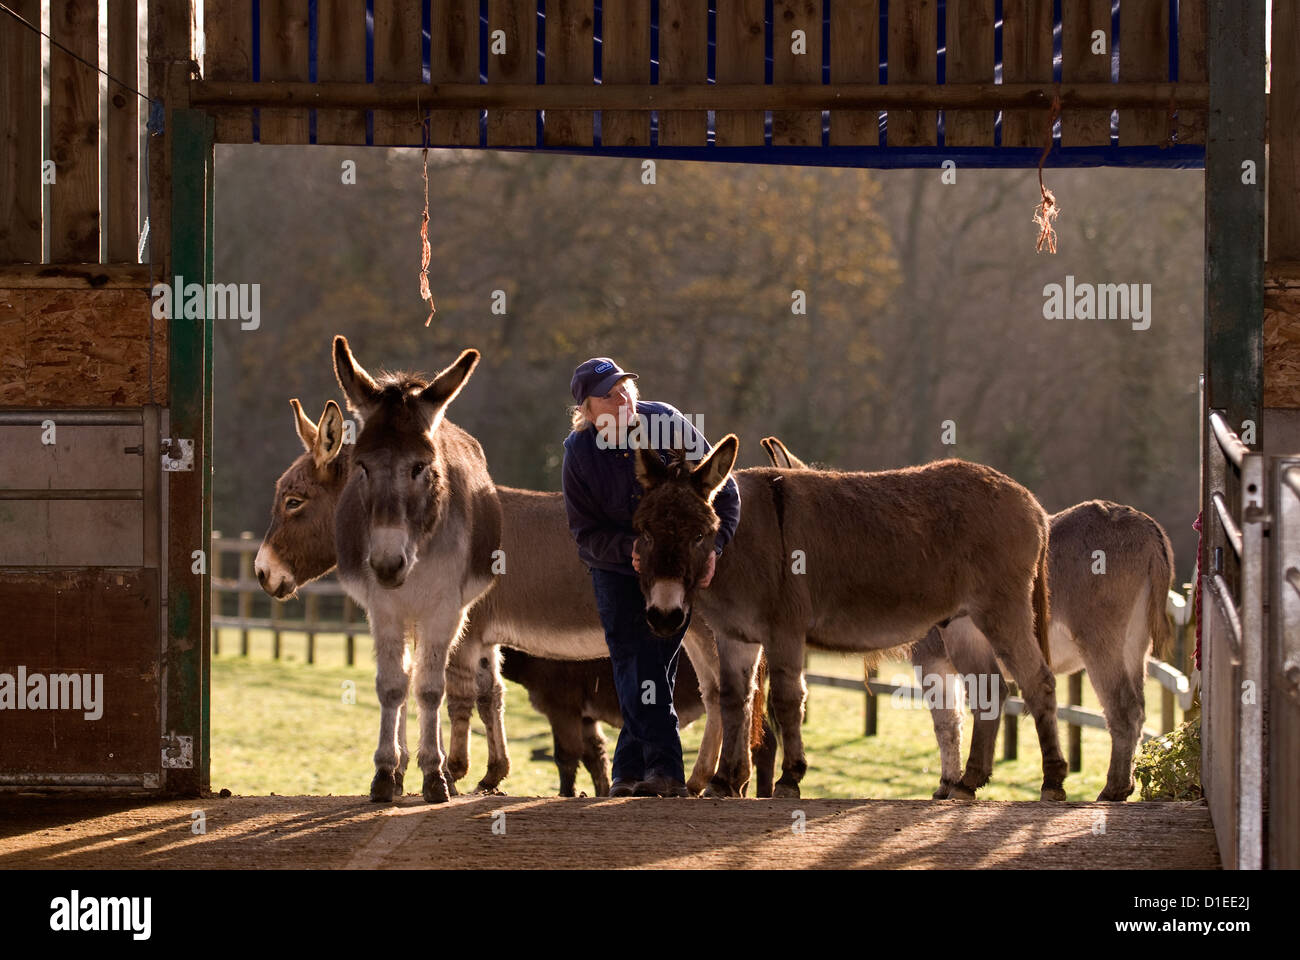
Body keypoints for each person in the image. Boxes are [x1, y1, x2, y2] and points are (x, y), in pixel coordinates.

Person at [561, 357, 741, 797]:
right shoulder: (579, 455)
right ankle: (665, 771)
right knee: (632, 661)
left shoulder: (666, 423)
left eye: (625, 389)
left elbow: (726, 490)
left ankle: (625, 772)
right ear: (586, 409)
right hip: (615, 570)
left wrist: (714, 549)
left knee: (651, 665)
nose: (622, 399)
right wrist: (628, 550)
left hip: (673, 573)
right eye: (608, 394)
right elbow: (585, 535)